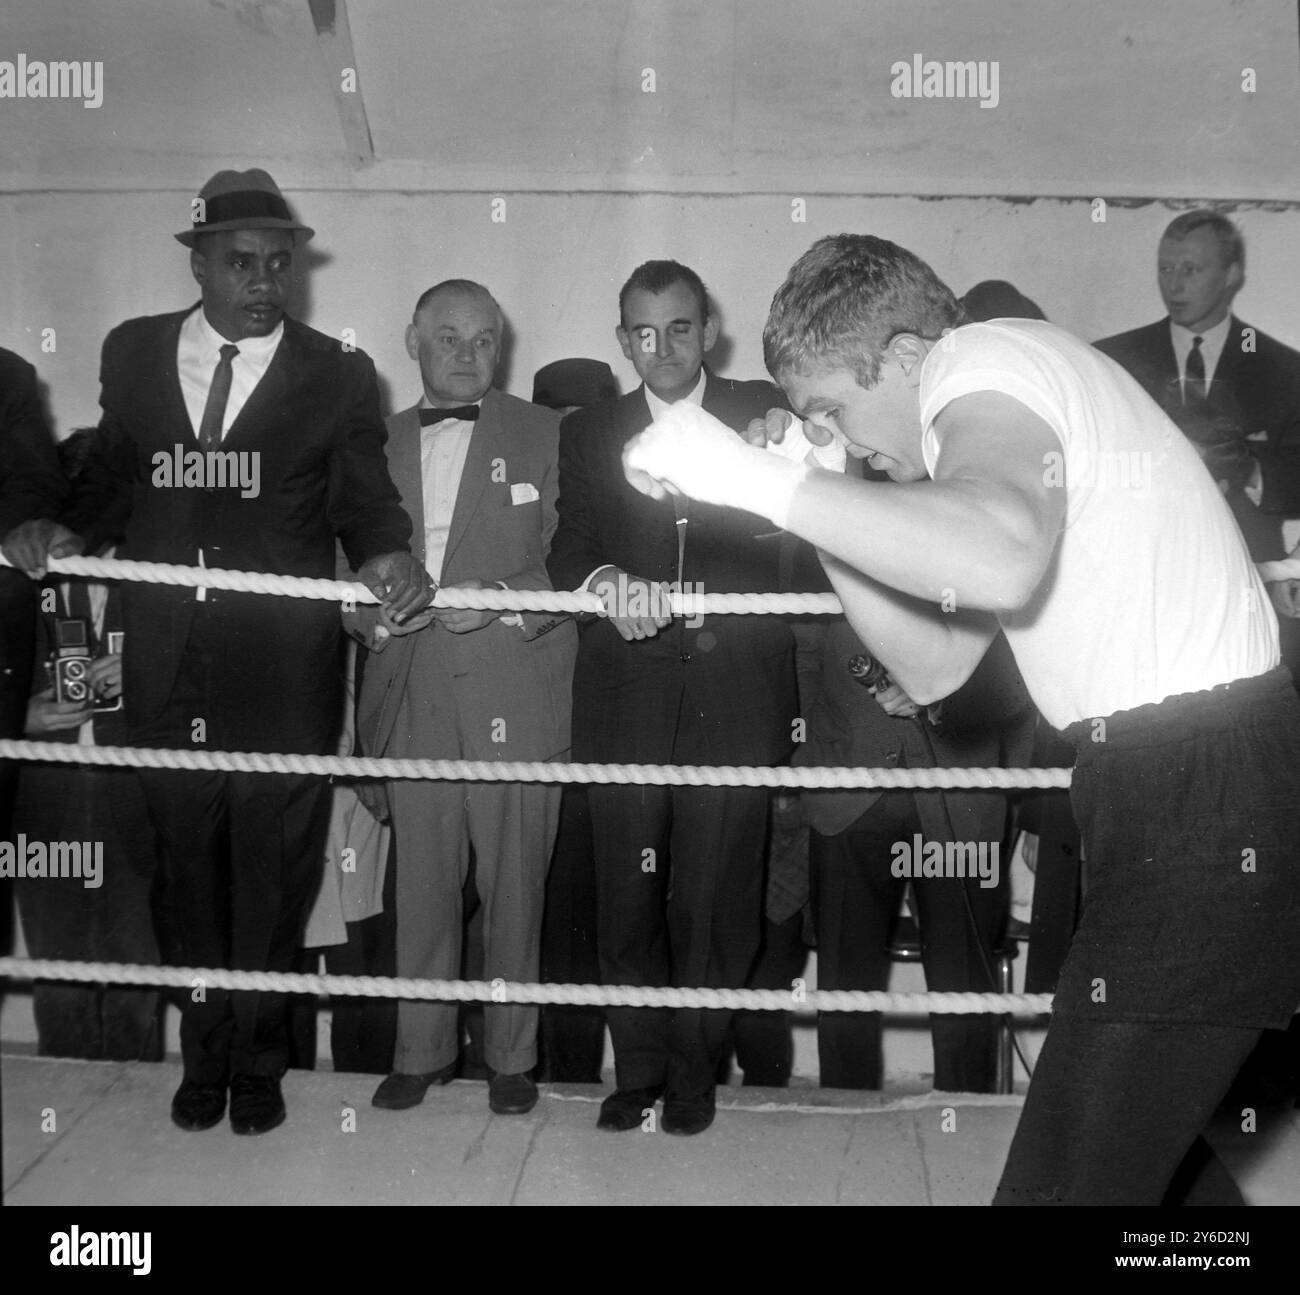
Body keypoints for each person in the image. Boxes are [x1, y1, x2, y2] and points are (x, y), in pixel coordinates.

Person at [621, 232, 1300, 1203]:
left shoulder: (982, 360)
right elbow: (937, 664)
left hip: (1204, 800)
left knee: (1062, 1187)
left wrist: (750, 475)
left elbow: (1005, 551)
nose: (847, 441)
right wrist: (822, 507)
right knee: (1157, 1175)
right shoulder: (1006, 410)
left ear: (903, 356)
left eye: (835, 409)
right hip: (1171, 794)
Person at [3, 169, 428, 1136]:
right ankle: (203, 1062)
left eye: (281, 262)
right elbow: (112, 473)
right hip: (160, 662)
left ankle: (260, 1067)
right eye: (242, 262)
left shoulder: (338, 372)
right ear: (196, 261)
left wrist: (386, 551)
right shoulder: (135, 351)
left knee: (275, 884)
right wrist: (56, 528)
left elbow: (362, 494)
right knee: (183, 876)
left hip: (283, 669)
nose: (265, 280)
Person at [547, 259, 798, 1135]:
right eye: (643, 333)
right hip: (625, 699)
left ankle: (694, 1075)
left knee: (716, 898)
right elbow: (567, 549)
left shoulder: (764, 409)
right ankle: (638, 1070)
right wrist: (608, 577)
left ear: (708, 330)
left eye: (680, 328)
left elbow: (813, 528)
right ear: (624, 342)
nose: (663, 348)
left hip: (737, 695)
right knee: (626, 892)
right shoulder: (589, 430)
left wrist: (796, 446)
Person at [345, 280, 576, 1117]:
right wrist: (367, 620)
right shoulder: (366, 441)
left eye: (485, 340)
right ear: (412, 338)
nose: (469, 354)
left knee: (519, 891)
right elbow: (338, 574)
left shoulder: (551, 433)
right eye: (449, 337)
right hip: (410, 690)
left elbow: (579, 556)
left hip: (518, 682)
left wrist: (511, 596)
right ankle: (423, 1050)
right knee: (424, 893)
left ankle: (512, 1057)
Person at [13, 427, 162, 1062]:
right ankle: (61, 1107)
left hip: (138, 795)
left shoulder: (158, 580)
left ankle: (130, 1108)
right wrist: (19, 716)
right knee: (57, 963)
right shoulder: (15, 580)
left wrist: (144, 675)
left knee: (137, 964)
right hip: (41, 797)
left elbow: (209, 681)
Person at [1095, 211, 1300, 581]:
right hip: (1136, 573)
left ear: (1232, 275)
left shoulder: (1285, 370)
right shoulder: (1110, 360)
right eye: (1165, 269)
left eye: (1190, 270)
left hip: (1247, 575)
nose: (1173, 287)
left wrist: (1250, 472)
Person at [530, 358, 622, 1085]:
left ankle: (598, 1075)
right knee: (531, 916)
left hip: (606, 734)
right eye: (555, 424)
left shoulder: (626, 497)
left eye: (580, 427)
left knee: (601, 910)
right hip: (520, 735)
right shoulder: (510, 494)